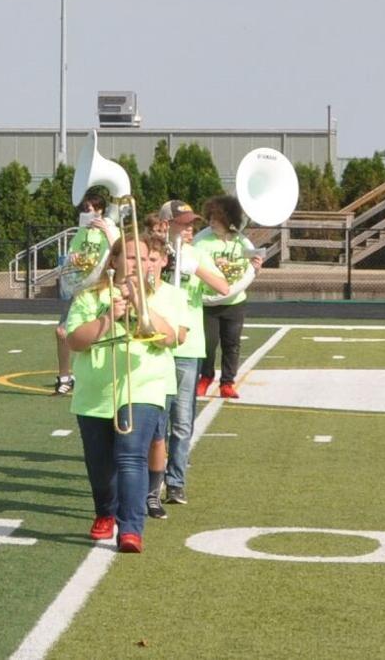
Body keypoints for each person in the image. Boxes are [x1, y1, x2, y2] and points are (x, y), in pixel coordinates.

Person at [64, 232, 185, 553]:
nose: (138, 264)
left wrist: (140, 304)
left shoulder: (160, 296)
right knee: (100, 463)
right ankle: (105, 512)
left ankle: (131, 529)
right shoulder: (89, 297)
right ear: (115, 260)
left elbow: (170, 338)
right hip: (96, 391)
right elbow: (74, 341)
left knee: (131, 456)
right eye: (131, 257)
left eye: (144, 259)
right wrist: (107, 318)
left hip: (142, 386)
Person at [148, 201, 231, 513]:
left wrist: (195, 268)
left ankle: (176, 481)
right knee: (156, 420)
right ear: (166, 224)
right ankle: (152, 484)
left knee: (182, 421)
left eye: (191, 224)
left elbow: (223, 287)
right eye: (182, 224)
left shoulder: (197, 254)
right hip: (155, 344)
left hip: (188, 346)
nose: (189, 229)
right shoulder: (153, 254)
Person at [195, 196, 260, 399]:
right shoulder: (201, 242)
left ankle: (227, 382)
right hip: (208, 301)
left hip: (235, 302)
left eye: (217, 218)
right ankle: (205, 377)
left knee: (232, 344)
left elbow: (249, 268)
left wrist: (256, 267)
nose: (212, 222)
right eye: (210, 218)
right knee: (208, 343)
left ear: (228, 219)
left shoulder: (241, 242)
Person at [54, 188, 117, 396]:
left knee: (100, 332)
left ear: (100, 210)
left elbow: (119, 251)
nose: (86, 212)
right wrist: (73, 258)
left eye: (90, 208)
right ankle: (64, 377)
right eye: (85, 208)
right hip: (80, 287)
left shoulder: (111, 228)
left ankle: (99, 375)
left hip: (101, 287)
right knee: (61, 332)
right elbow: (74, 253)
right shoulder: (82, 231)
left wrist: (106, 231)